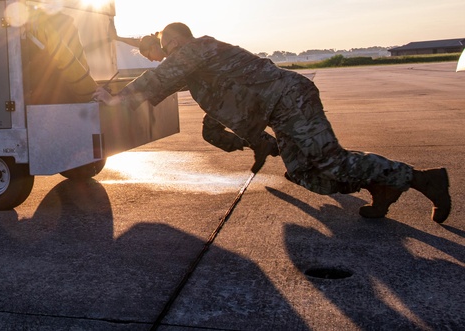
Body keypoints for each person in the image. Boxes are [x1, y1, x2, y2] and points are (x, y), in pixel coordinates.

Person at [94, 22, 452, 223]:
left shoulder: (197, 48)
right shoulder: (199, 68)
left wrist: (116, 99)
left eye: (164, 43)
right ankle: (380, 185)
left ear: (176, 39)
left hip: (290, 98)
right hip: (277, 110)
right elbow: (172, 83)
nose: (163, 50)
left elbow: (160, 77)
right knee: (302, 172)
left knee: (331, 160)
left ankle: (423, 179)